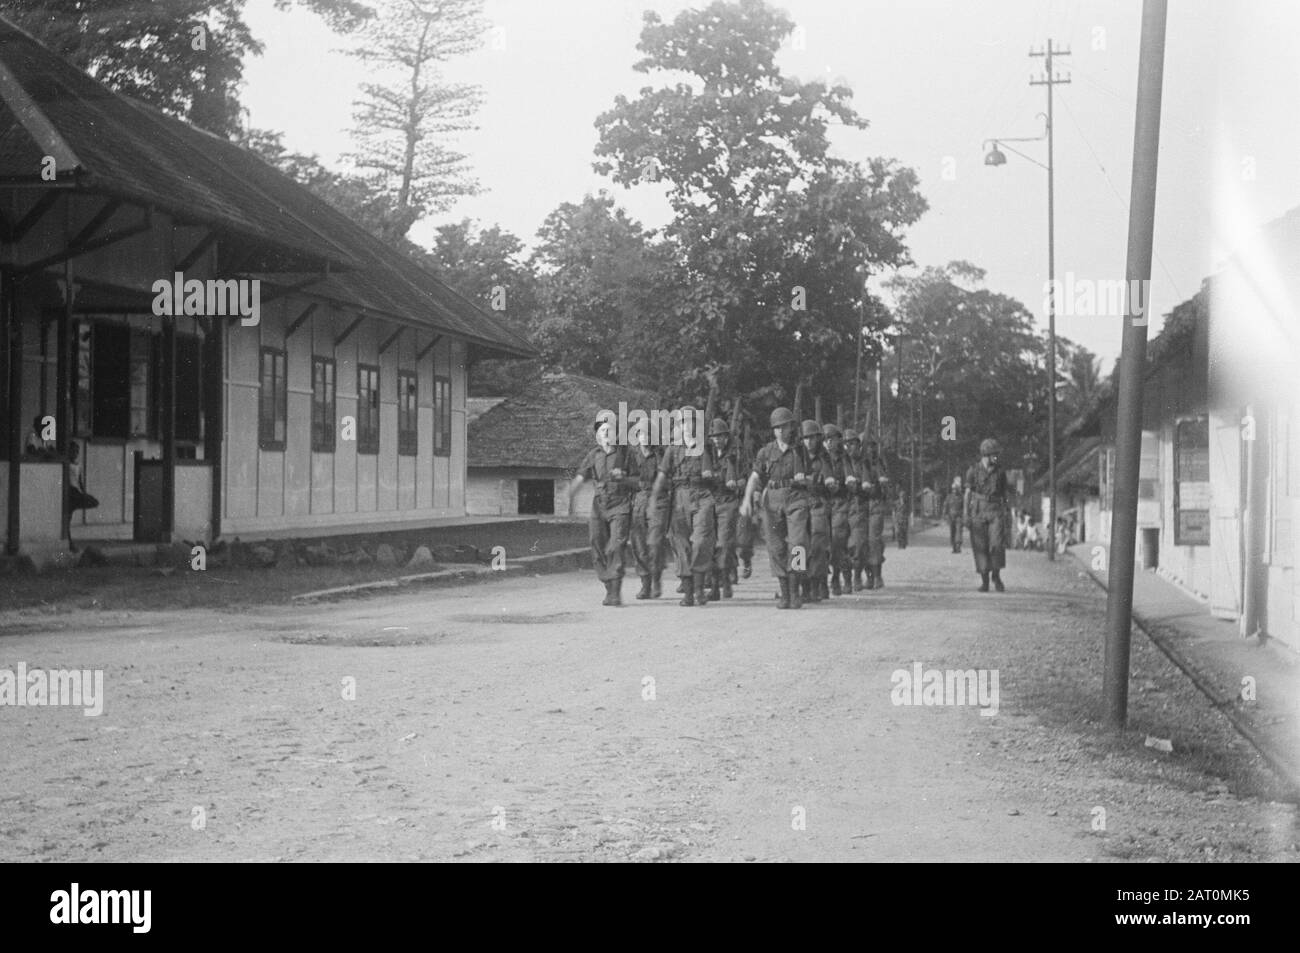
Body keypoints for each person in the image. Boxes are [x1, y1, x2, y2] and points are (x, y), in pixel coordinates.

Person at [740, 406, 810, 609]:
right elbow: (755, 476)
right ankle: (785, 592)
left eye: (785, 426)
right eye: (778, 427)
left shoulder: (800, 450)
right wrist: (746, 501)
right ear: (773, 430)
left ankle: (796, 589)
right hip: (772, 501)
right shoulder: (765, 452)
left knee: (798, 544)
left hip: (796, 498)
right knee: (775, 546)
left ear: (791, 427)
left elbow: (816, 471)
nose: (782, 431)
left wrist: (805, 478)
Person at [567, 410, 637, 606]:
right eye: (602, 430)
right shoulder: (593, 455)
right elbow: (582, 475)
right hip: (599, 505)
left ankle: (615, 591)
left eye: (610, 430)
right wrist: (573, 489)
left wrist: (624, 478)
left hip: (620, 504)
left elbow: (640, 481)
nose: (605, 433)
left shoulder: (627, 454)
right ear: (597, 434)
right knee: (597, 544)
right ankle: (608, 586)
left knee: (615, 545)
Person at [651, 407, 716, 607]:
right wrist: (654, 499)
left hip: (702, 495)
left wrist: (710, 475)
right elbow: (662, 475)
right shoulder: (672, 449)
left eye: (691, 422)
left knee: (700, 541)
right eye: (683, 422)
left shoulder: (706, 447)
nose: (688, 426)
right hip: (678, 497)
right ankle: (688, 593)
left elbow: (717, 470)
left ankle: (698, 590)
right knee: (681, 545)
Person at [628, 417, 670, 600]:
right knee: (638, 544)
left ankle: (656, 579)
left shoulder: (661, 456)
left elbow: (668, 478)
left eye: (648, 434)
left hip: (657, 500)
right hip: (638, 501)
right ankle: (645, 583)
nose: (645, 437)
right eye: (641, 433)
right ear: (637, 435)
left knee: (654, 543)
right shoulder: (631, 456)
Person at [964, 437, 1009, 592]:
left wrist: (1007, 514)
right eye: (993, 454)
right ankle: (985, 581)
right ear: (985, 454)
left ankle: (996, 576)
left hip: (996, 511)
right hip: (978, 511)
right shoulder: (973, 471)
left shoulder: (1001, 472)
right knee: (980, 547)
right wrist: (966, 515)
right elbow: (968, 494)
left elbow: (1005, 495)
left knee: (997, 544)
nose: (996, 457)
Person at [707, 417, 744, 600]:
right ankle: (718, 583)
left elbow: (746, 476)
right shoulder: (708, 455)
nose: (716, 440)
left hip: (728, 503)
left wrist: (737, 481)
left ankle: (721, 583)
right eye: (713, 437)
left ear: (726, 437)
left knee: (723, 544)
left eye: (719, 436)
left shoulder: (736, 455)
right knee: (710, 544)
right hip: (710, 502)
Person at [800, 420, 832, 603]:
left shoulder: (823, 458)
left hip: (818, 503)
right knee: (798, 545)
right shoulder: (796, 456)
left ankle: (817, 582)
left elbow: (829, 476)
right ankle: (800, 583)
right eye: (805, 438)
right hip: (798, 504)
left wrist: (828, 481)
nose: (809, 442)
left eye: (812, 438)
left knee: (818, 545)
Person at [821, 424, 853, 597]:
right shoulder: (820, 458)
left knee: (837, 542)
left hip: (840, 503)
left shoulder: (844, 458)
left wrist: (849, 479)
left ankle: (838, 577)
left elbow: (849, 473)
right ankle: (822, 581)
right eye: (825, 440)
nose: (827, 443)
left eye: (830, 439)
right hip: (822, 503)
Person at [843, 430, 869, 591]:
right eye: (846, 444)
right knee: (840, 545)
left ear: (858, 445)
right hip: (840, 506)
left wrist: (858, 483)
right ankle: (846, 579)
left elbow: (867, 483)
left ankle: (857, 575)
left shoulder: (863, 463)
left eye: (852, 443)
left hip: (858, 506)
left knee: (858, 544)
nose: (849, 447)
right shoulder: (839, 462)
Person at [944, 476, 964, 553]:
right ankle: (954, 547)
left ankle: (958, 546)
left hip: (959, 517)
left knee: (958, 531)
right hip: (951, 517)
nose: (954, 490)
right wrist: (945, 515)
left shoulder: (961, 497)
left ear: (958, 489)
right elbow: (946, 506)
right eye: (953, 489)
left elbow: (965, 507)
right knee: (952, 532)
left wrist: (964, 515)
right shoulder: (949, 497)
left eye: (956, 489)